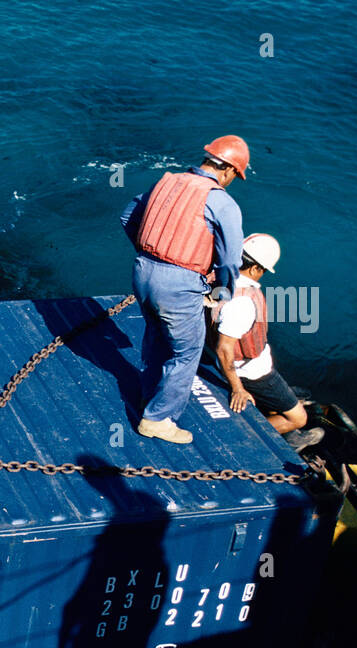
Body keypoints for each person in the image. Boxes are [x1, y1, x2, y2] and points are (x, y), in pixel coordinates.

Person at [121, 136, 249, 444]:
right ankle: (158, 419)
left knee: (156, 338)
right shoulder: (222, 202)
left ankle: (148, 398)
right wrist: (224, 292)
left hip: (142, 271)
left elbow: (127, 216)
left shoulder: (166, 181)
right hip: (178, 284)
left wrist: (151, 253)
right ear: (230, 170)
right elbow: (231, 260)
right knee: (188, 350)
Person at [210, 233, 324, 452]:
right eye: (262, 270)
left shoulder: (223, 280)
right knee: (299, 418)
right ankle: (243, 437)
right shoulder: (242, 303)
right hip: (252, 373)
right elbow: (225, 349)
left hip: (246, 367)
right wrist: (238, 389)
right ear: (255, 269)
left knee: (284, 399)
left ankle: (273, 405)